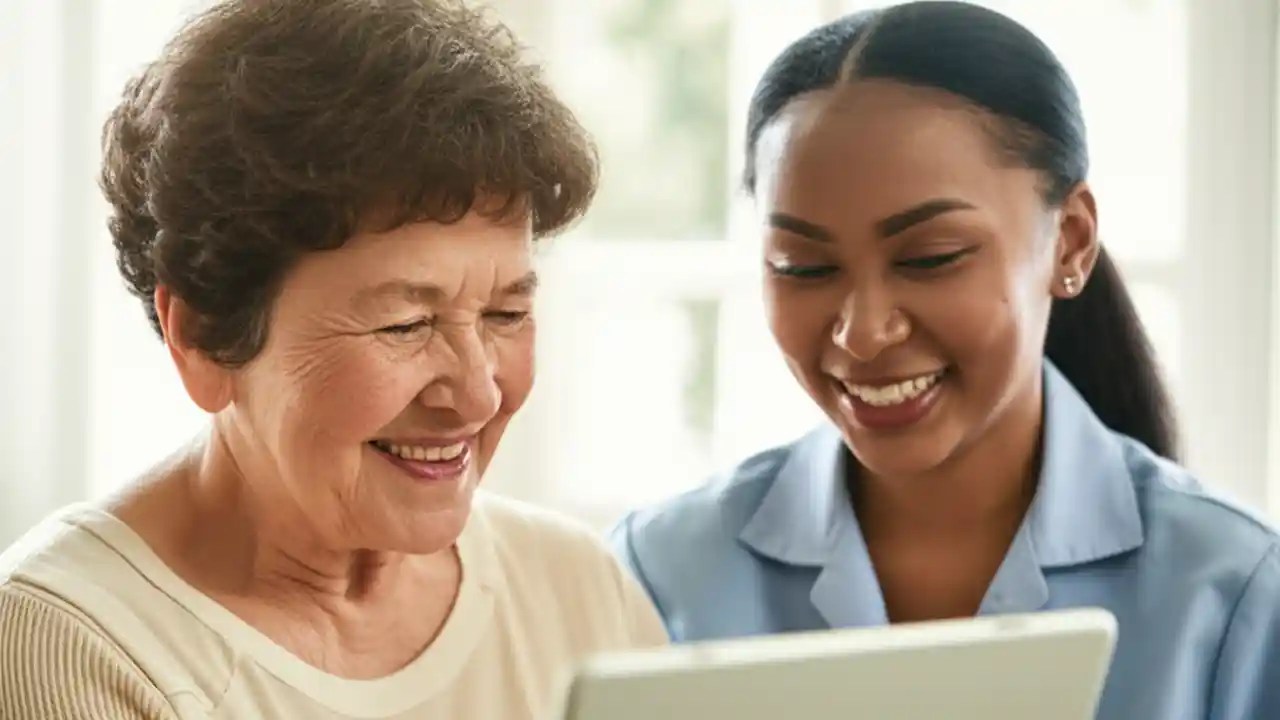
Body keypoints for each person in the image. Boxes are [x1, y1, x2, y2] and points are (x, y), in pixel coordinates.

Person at [609, 2, 1280, 718]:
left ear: (1071, 242)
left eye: (931, 258)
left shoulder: (1233, 591)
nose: (863, 334)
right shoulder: (660, 574)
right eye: (801, 266)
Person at [0, 1, 666, 718]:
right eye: (406, 324)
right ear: (203, 334)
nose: (477, 394)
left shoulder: (580, 591)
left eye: (506, 314)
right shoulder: (72, 638)